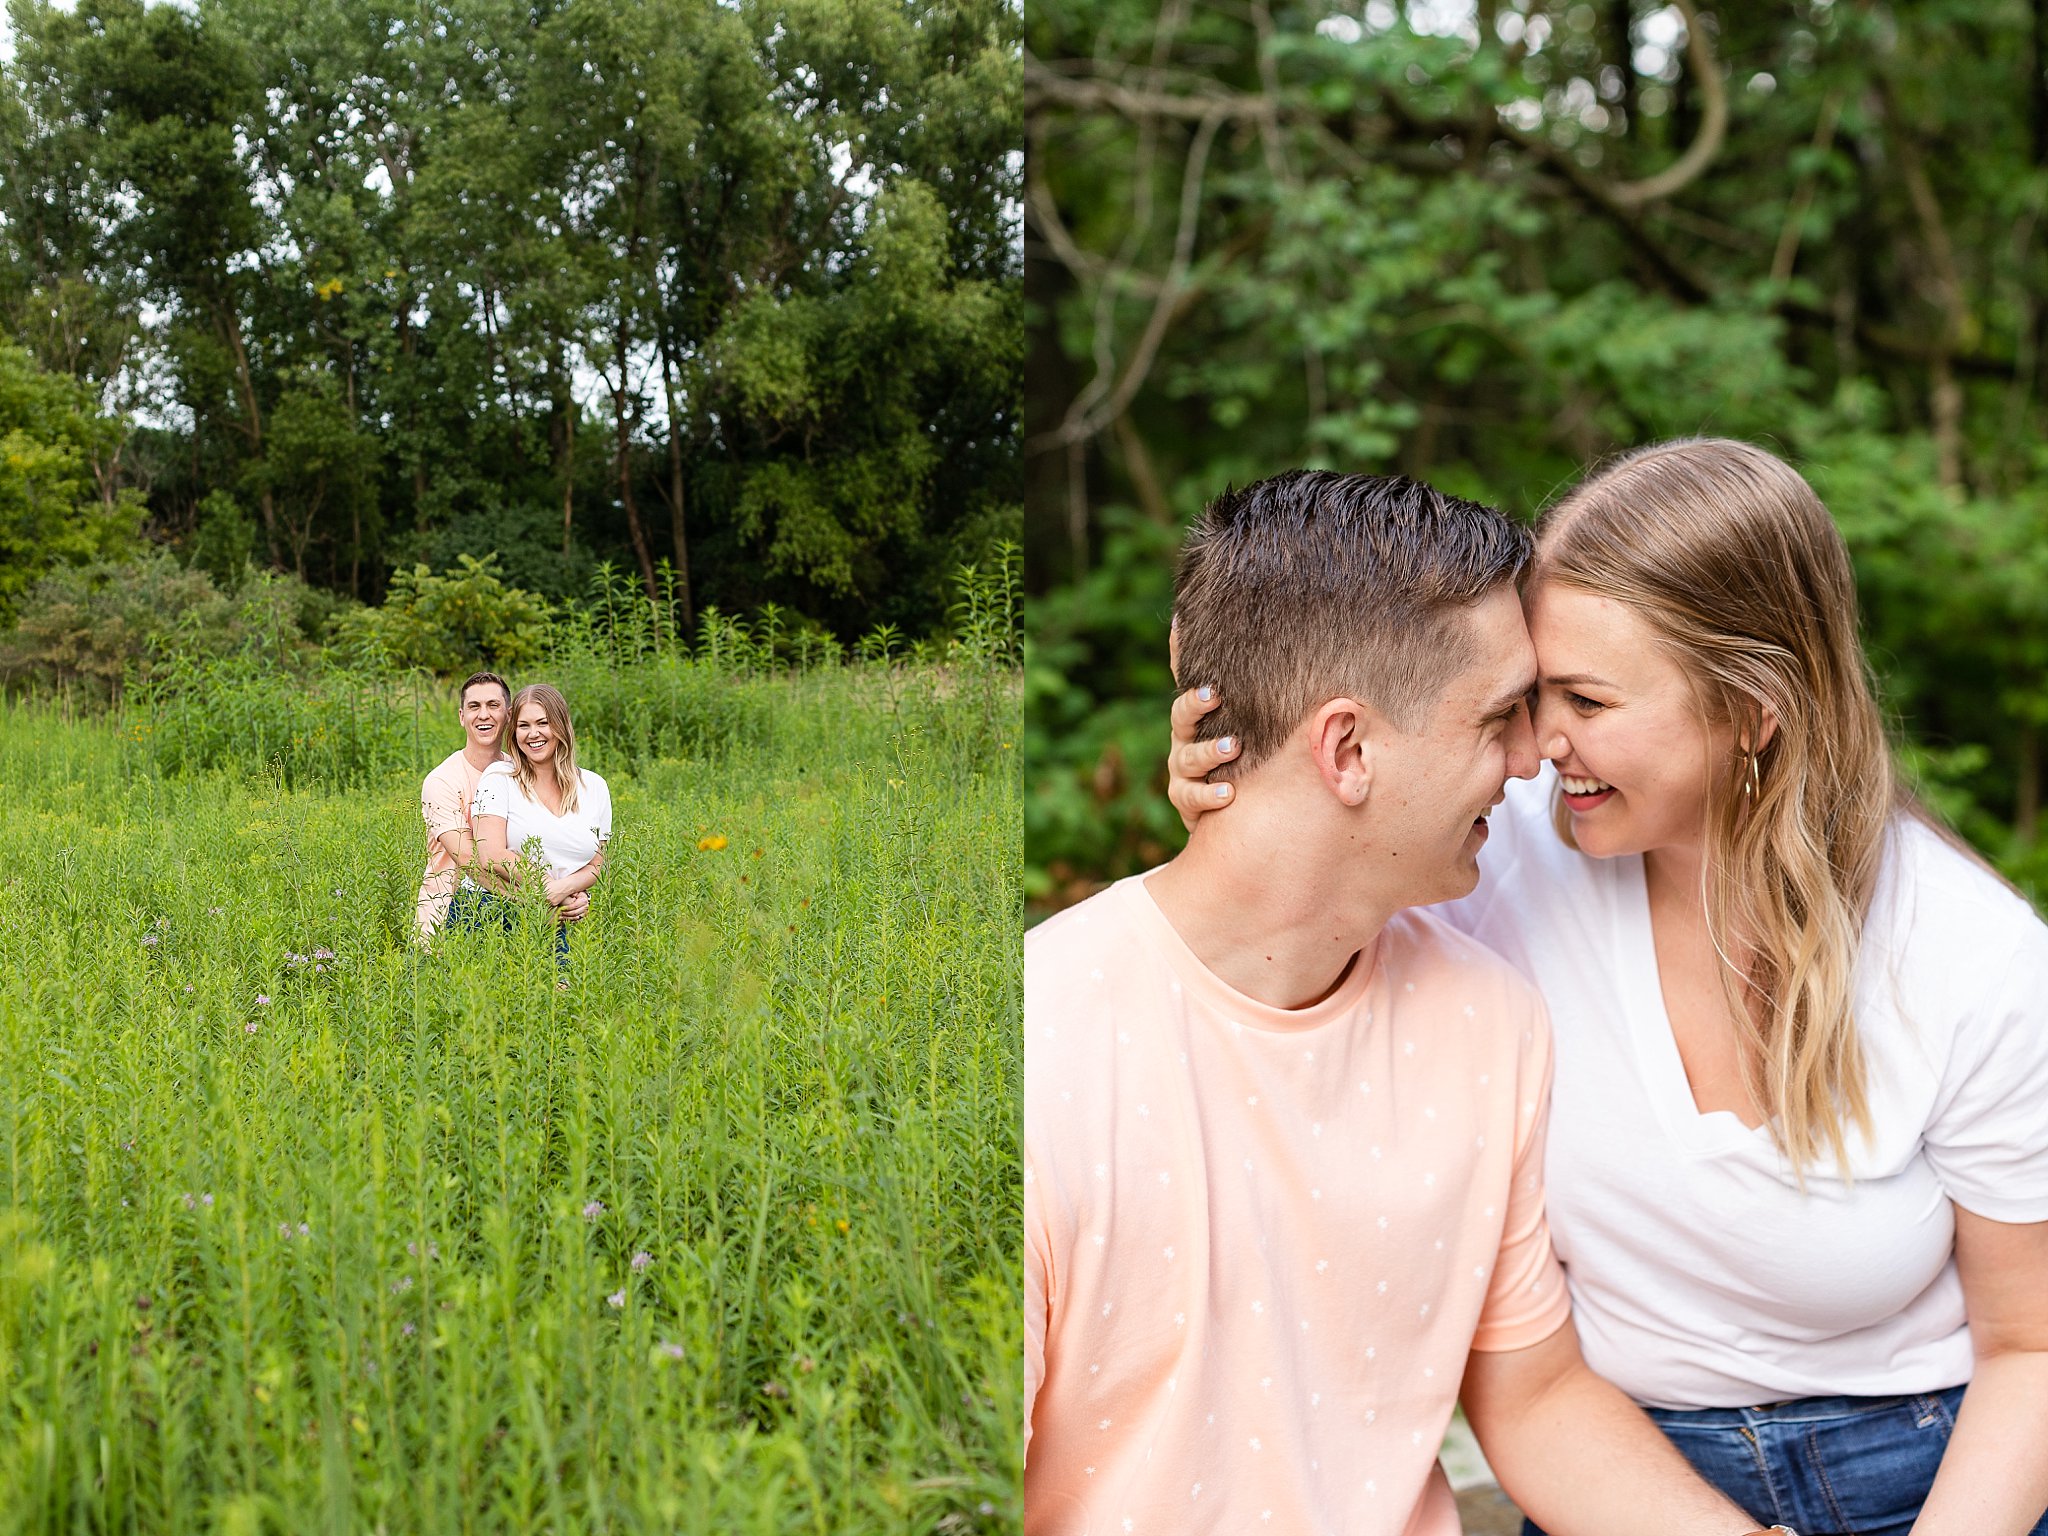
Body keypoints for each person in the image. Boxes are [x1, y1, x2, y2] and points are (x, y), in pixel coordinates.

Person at [1165, 440, 2048, 1535]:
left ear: (1750, 712)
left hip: (1921, 1475)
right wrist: (1246, 806)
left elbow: (2032, 1348)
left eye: (1583, 699)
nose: (1538, 747)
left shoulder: (1966, 952)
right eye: (1532, 697)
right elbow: (1279, 951)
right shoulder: (1500, 857)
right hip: (1606, 1475)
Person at [1026, 470, 1778, 1536]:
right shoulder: (1039, 1053)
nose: (1533, 761)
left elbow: (1535, 1395)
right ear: (1345, 750)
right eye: (1499, 719)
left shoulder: (1485, 1018)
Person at [458, 682, 610, 972]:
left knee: (560, 1009)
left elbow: (598, 863)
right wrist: (547, 886)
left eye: (543, 723)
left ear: (562, 725)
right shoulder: (500, 778)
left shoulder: (595, 787)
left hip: (557, 919)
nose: (533, 734)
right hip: (490, 911)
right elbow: (489, 854)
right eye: (523, 725)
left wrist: (569, 889)